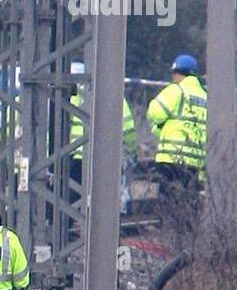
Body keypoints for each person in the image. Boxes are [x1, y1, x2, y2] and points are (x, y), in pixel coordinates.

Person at [68, 62, 137, 214]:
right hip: (103, 159)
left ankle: (65, 232)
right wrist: (131, 152)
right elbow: (127, 127)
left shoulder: (68, 99)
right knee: (102, 202)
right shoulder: (112, 95)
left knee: (71, 201)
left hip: (74, 157)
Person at [146, 54, 207, 209]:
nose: (172, 77)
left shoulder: (177, 90)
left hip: (172, 157)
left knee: (167, 202)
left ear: (179, 72)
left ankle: (168, 230)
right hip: (195, 161)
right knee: (188, 204)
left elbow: (156, 113)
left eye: (173, 74)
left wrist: (158, 128)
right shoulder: (205, 96)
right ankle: (186, 233)